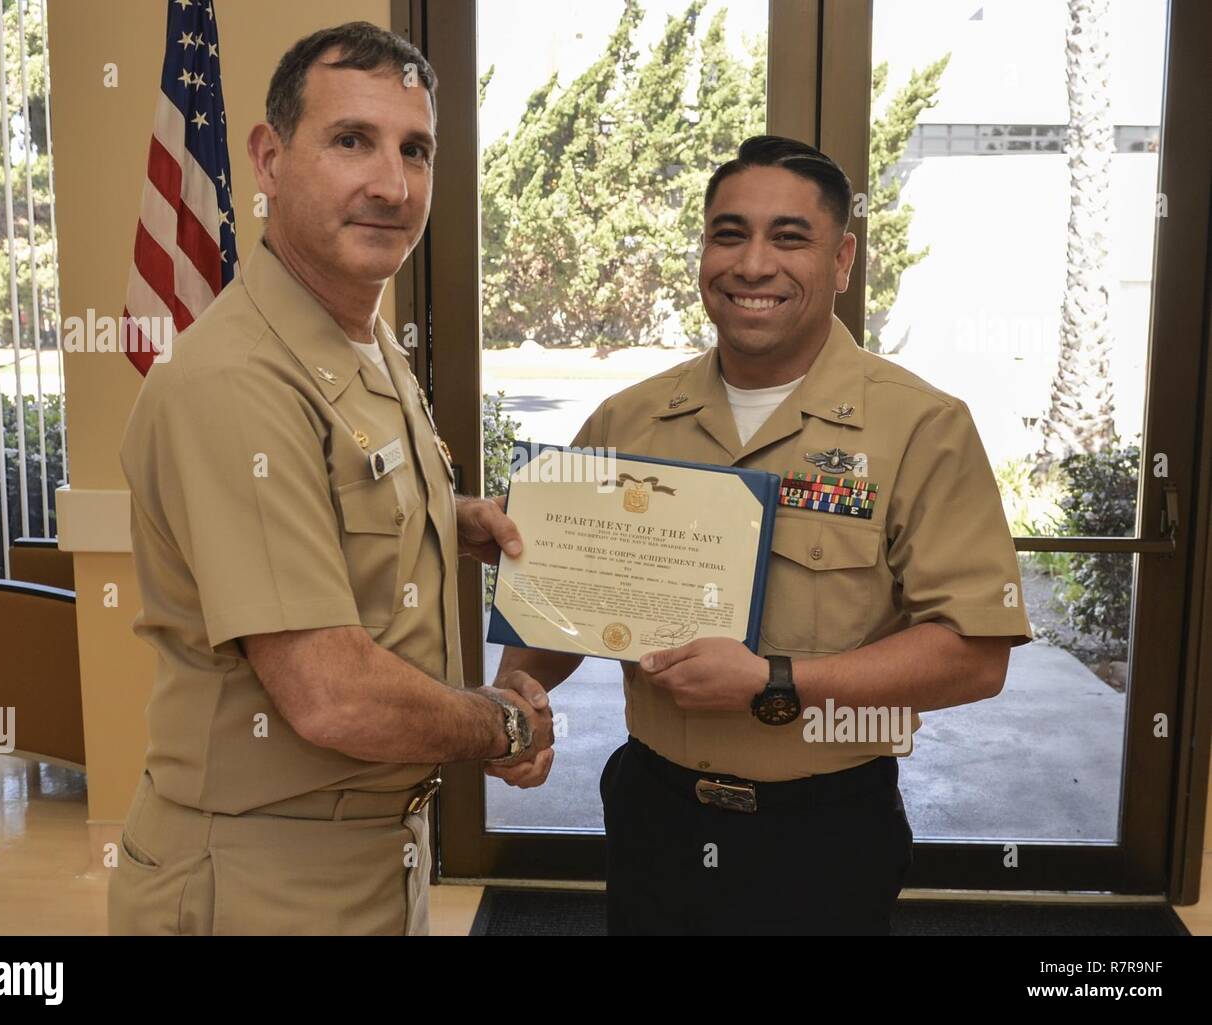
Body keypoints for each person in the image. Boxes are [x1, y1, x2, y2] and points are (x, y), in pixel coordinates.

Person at [488, 136, 1034, 935]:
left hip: (824, 832)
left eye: (789, 237)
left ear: (842, 259)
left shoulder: (922, 426)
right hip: (655, 815)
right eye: (728, 233)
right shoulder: (627, 420)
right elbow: (560, 602)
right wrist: (517, 696)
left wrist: (775, 680)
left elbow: (976, 655)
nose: (751, 264)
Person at [109, 21, 548, 936]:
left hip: (377, 854)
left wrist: (447, 517)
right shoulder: (239, 379)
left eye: (414, 150)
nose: (392, 184)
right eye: (353, 140)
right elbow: (330, 692)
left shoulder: (361, 337)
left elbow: (345, 501)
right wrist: (500, 727)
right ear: (268, 158)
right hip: (264, 880)